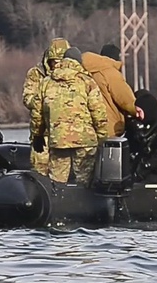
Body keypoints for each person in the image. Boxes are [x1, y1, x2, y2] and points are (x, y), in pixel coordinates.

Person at [30, 47, 109, 185]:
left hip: (58, 139)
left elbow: (37, 113)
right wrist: (102, 139)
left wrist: (37, 135)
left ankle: (58, 204)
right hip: (85, 141)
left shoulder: (46, 83)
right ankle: (83, 205)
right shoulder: (87, 82)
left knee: (57, 182)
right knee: (85, 183)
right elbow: (99, 113)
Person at [23, 38, 69, 175]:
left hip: (64, 133)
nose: (57, 65)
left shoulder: (72, 75)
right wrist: (44, 101)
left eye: (60, 61)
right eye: (54, 61)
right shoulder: (36, 73)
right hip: (42, 133)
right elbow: (27, 98)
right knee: (39, 170)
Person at [81, 43, 142, 136]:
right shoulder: (110, 73)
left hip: (87, 130)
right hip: (110, 129)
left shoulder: (84, 71)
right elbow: (125, 99)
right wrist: (138, 110)